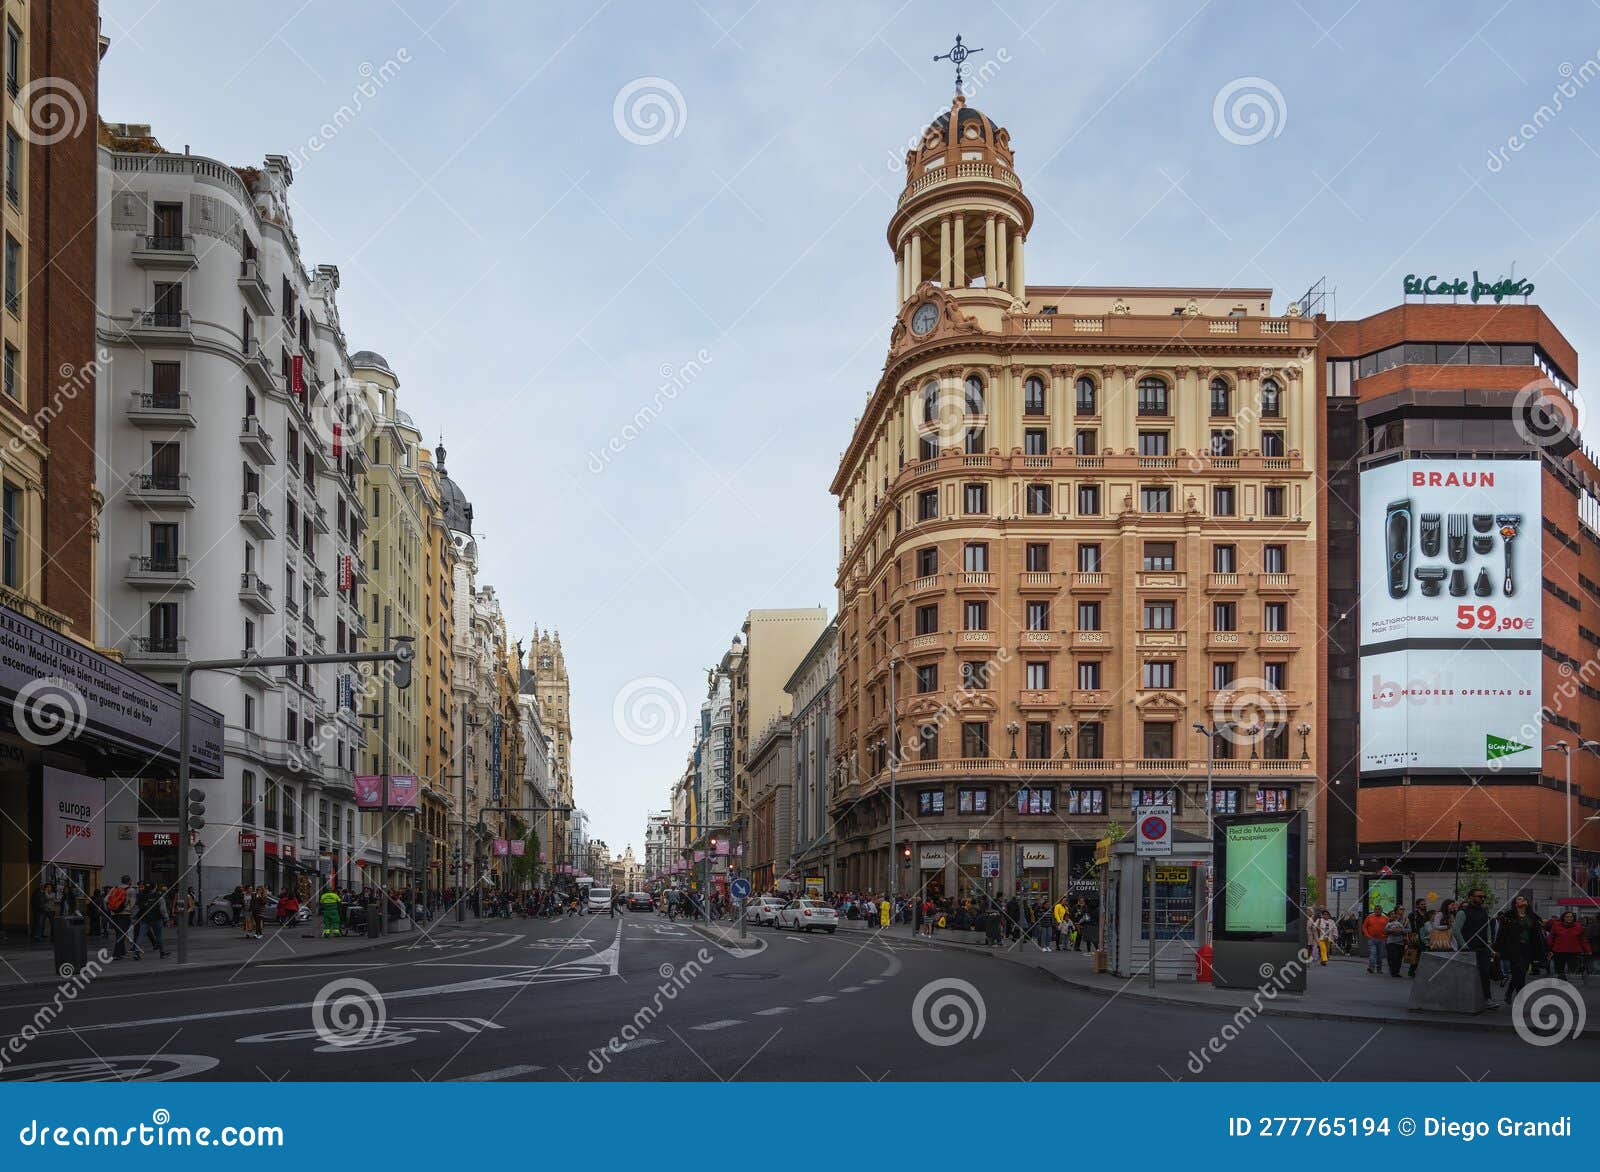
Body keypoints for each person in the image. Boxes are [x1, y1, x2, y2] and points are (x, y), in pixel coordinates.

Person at [1452, 887, 1498, 1007]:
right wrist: (1464, 945)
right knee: (1467, 976)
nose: (1482, 898)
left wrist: (1488, 942)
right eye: (1479, 896)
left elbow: (1487, 927)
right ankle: (1464, 999)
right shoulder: (1462, 913)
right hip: (1469, 949)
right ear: (1471, 897)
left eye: (1483, 897)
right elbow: (1456, 931)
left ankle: (1487, 999)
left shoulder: (1484, 911)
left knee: (1485, 974)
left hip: (1483, 948)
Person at [1497, 893, 1545, 997]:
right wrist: (1498, 947)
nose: (1523, 900)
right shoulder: (1508, 915)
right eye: (1519, 899)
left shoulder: (1532, 916)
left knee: (1522, 972)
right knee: (1518, 969)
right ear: (1515, 903)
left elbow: (1538, 933)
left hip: (1528, 947)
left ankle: (1511, 990)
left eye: (1524, 899)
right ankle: (1518, 994)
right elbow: (1502, 933)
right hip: (1513, 947)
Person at [1547, 909, 1587, 981]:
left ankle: (1571, 983)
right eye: (1567, 916)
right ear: (1563, 918)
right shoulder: (1556, 926)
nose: (1569, 918)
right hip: (1559, 951)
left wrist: (1587, 949)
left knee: (1573, 969)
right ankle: (1561, 982)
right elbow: (1551, 938)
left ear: (1573, 918)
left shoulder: (1578, 926)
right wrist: (1549, 948)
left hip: (1574, 951)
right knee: (1560, 969)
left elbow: (1583, 939)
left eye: (1571, 917)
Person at [107, 875, 140, 960]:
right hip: (125, 914)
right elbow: (132, 904)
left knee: (119, 933)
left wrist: (112, 909)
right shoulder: (131, 890)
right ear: (129, 881)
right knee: (122, 934)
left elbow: (106, 900)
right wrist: (131, 912)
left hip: (114, 914)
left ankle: (122, 952)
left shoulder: (114, 888)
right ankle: (116, 954)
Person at [1361, 905, 1388, 973]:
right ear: (1374, 910)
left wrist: (1386, 936)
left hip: (1382, 939)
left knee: (1380, 955)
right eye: (1376, 909)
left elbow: (1389, 927)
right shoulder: (1369, 917)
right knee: (1372, 953)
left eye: (1379, 909)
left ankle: (1379, 969)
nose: (1377, 910)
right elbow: (1364, 927)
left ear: (1381, 910)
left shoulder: (1385, 918)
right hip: (1372, 939)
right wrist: (1367, 935)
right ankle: (1371, 968)